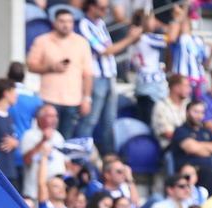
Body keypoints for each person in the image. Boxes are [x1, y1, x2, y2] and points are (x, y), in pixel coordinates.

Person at [76, 0, 134, 154]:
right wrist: (130, 38)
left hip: (109, 76)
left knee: (110, 122)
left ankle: (108, 157)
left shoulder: (100, 24)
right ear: (91, 7)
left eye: (107, 7)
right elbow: (104, 50)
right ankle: (83, 156)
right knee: (90, 120)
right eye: (102, 8)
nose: (106, 11)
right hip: (96, 77)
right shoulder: (84, 25)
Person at [25, 7, 93, 140]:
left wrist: (87, 98)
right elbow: (31, 66)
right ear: (54, 22)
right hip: (49, 98)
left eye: (69, 21)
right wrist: (51, 67)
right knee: (46, 136)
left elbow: (88, 74)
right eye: (62, 21)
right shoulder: (42, 41)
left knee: (66, 138)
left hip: (73, 99)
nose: (66, 24)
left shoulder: (82, 42)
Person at [170, 99, 212, 194]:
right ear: (187, 113)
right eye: (195, 112)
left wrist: (200, 146)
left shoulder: (206, 131)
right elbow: (191, 148)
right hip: (187, 173)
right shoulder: (180, 131)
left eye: (202, 112)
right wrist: (210, 150)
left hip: (208, 170)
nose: (199, 116)